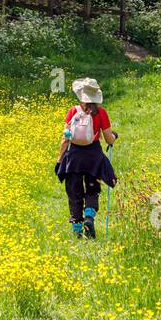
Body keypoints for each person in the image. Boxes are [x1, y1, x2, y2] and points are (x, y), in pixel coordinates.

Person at [54, 77, 117, 239]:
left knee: (74, 193)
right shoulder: (101, 112)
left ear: (81, 95)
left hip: (74, 157)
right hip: (93, 158)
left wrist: (60, 159)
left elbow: (65, 138)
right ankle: (89, 216)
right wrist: (114, 137)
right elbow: (109, 139)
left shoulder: (73, 111)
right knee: (92, 189)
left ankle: (77, 230)